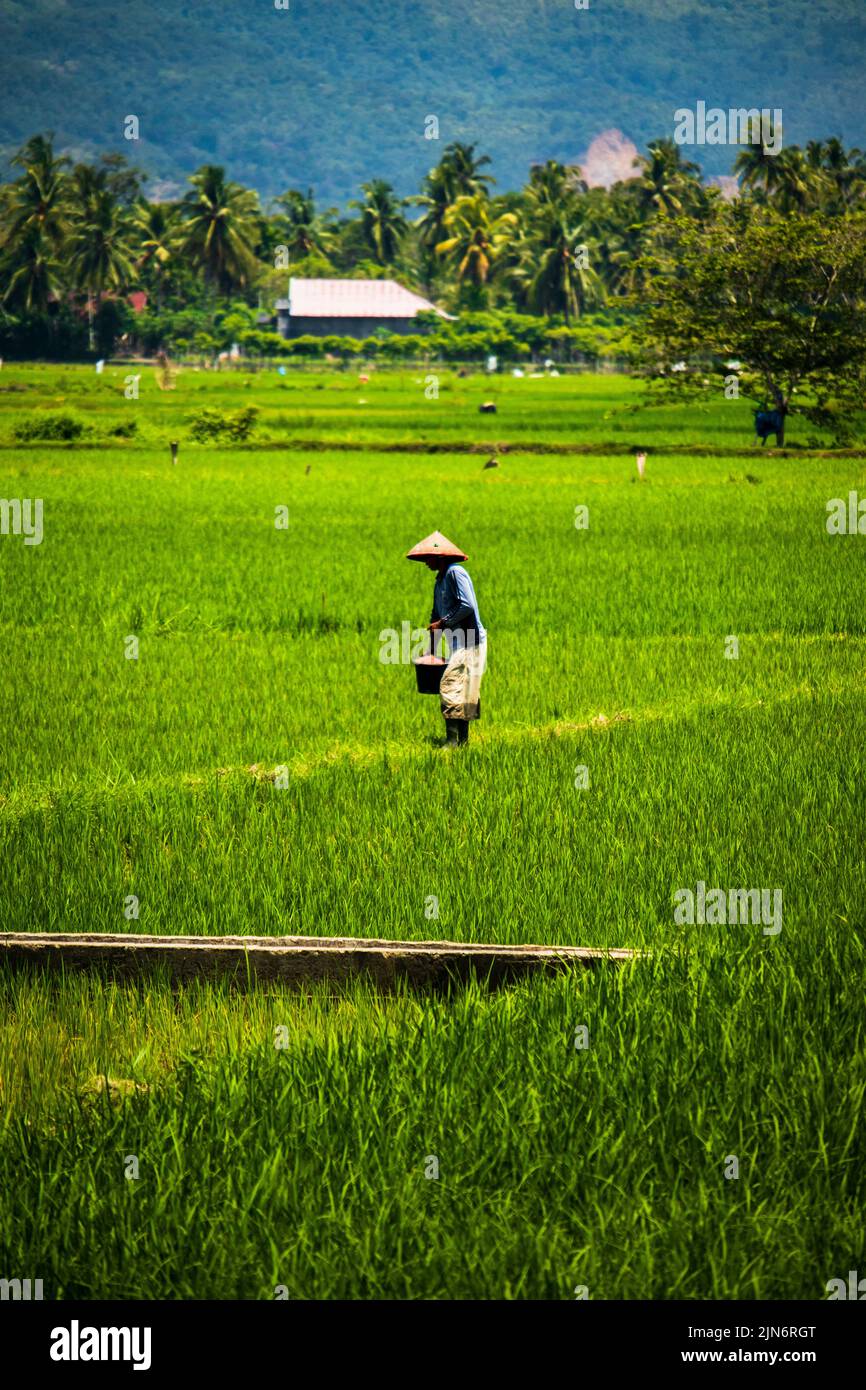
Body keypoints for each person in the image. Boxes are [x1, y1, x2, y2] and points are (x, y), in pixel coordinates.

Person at [406, 531, 487, 747]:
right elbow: (435, 616)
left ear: (440, 556)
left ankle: (452, 742)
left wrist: (442, 623)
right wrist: (431, 650)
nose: (425, 563)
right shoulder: (439, 581)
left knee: (451, 685)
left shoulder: (455, 573)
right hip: (457, 642)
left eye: (428, 558)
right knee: (462, 689)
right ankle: (462, 743)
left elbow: (466, 606)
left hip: (470, 640)